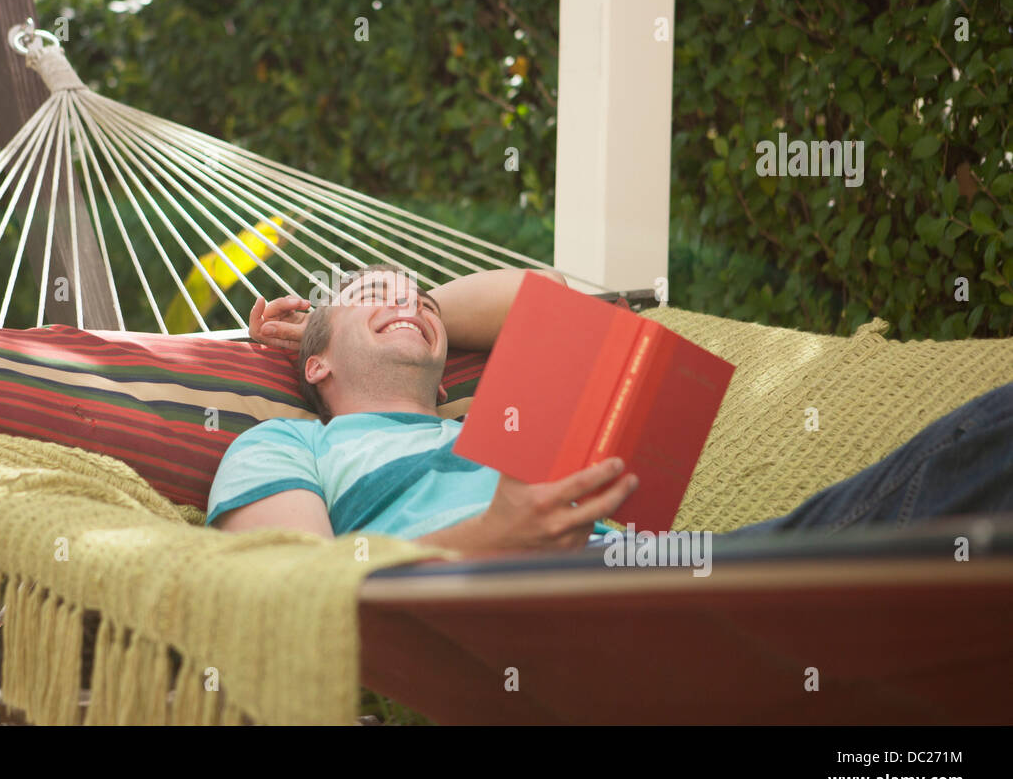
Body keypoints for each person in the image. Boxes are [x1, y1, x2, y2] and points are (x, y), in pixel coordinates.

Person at [205, 263, 1013, 555]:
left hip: (662, 577)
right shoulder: (287, 443)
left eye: (423, 301)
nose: (408, 303)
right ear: (313, 362)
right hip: (543, 622)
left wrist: (403, 306)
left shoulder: (494, 421)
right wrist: (490, 539)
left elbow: (540, 303)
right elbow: (294, 584)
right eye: (373, 296)